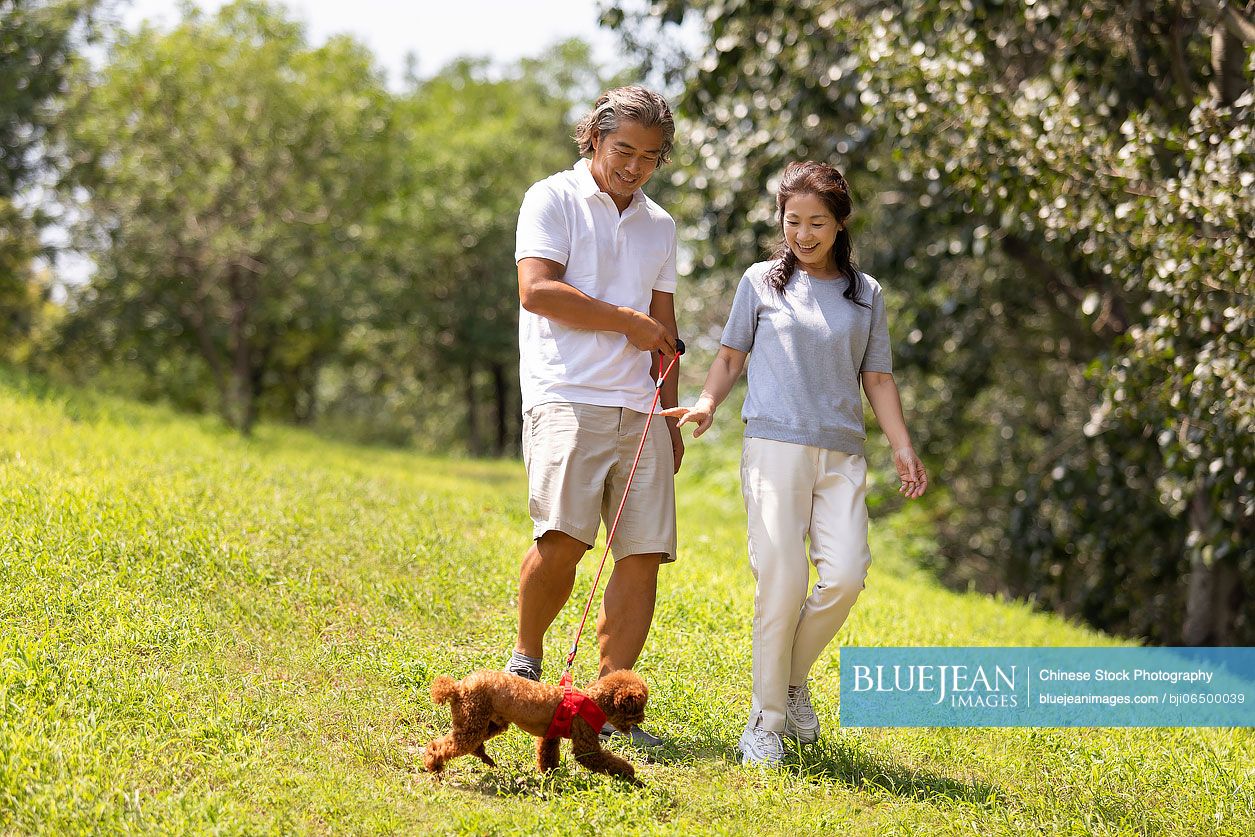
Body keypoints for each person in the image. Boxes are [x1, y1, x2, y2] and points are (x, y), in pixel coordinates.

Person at [662, 161, 928, 766]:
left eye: (817, 223)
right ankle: (766, 722)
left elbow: (878, 378)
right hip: (774, 447)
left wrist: (902, 445)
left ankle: (788, 679)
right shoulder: (761, 282)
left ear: (840, 225)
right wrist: (705, 403)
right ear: (781, 221)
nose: (803, 234)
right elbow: (731, 357)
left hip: (842, 452)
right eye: (793, 222)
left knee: (846, 575)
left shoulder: (866, 296)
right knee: (782, 579)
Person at [505, 86, 684, 748]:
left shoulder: (659, 226)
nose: (633, 166)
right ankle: (525, 658)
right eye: (622, 150)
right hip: (565, 395)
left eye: (649, 156)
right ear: (593, 140)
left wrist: (667, 415)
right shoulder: (550, 198)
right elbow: (537, 290)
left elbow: (664, 330)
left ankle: (611, 706)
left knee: (641, 555)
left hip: (640, 408)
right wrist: (622, 322)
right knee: (563, 540)